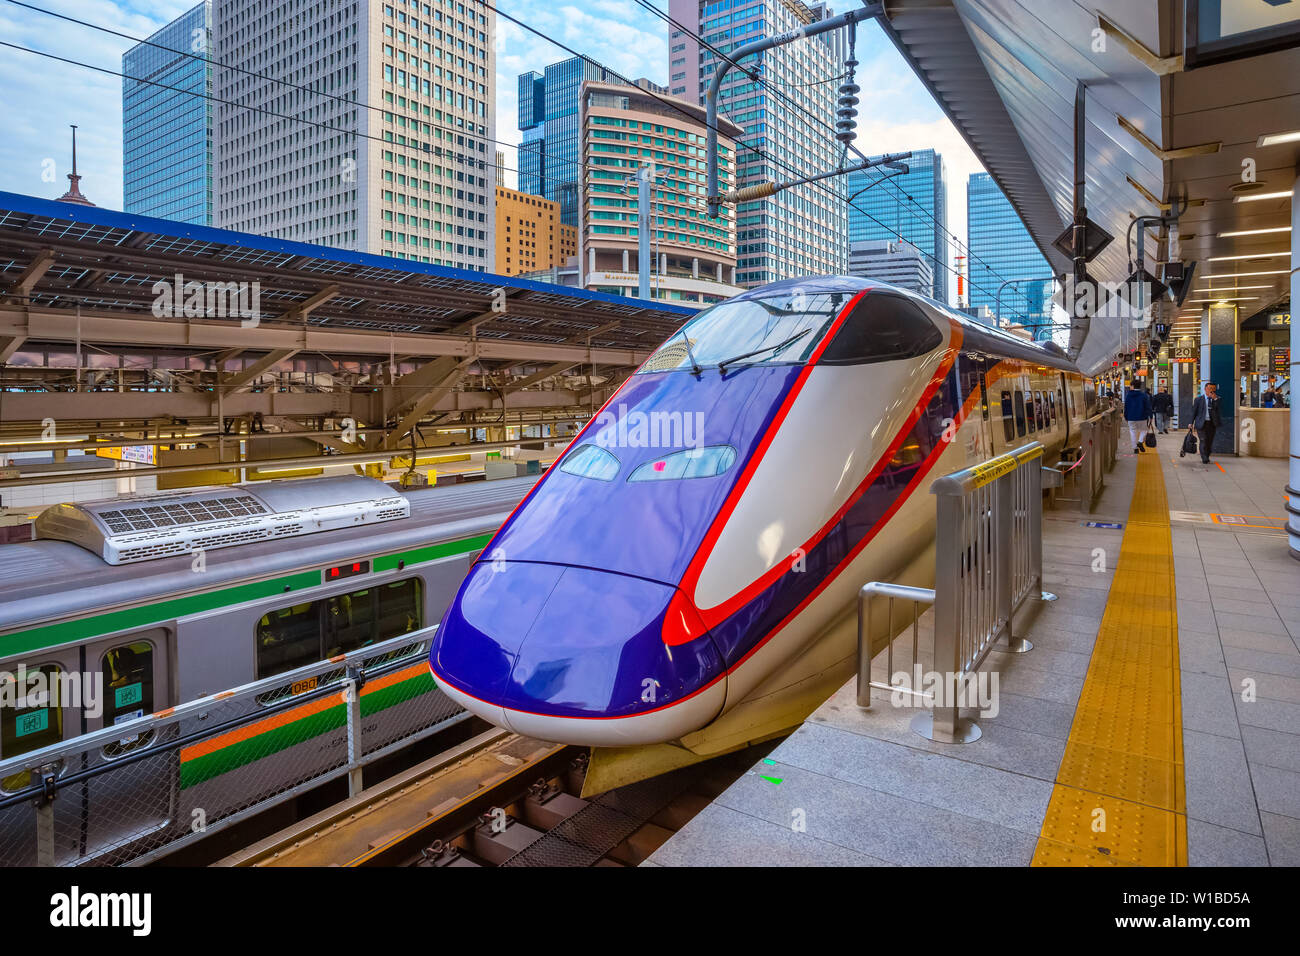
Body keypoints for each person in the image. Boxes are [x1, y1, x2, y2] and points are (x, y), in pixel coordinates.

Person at [1190, 381, 1222, 466]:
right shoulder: (1198, 399)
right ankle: (1204, 457)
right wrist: (1191, 423)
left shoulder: (1217, 399)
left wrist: (1215, 399)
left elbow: (1217, 409)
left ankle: (1207, 455)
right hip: (1201, 423)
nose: (1211, 390)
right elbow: (1194, 412)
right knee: (1203, 440)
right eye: (1209, 388)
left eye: (1213, 389)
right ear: (1205, 389)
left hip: (1212, 423)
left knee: (1209, 441)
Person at [1124, 381, 1153, 454]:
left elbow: (1126, 407)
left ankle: (1135, 448)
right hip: (1142, 417)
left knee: (1133, 432)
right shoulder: (1144, 395)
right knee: (1144, 430)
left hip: (1131, 417)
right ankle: (1140, 442)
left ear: (1133, 386)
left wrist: (1126, 416)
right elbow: (1148, 407)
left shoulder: (1128, 395)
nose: (1130, 387)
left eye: (1130, 385)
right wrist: (1151, 416)